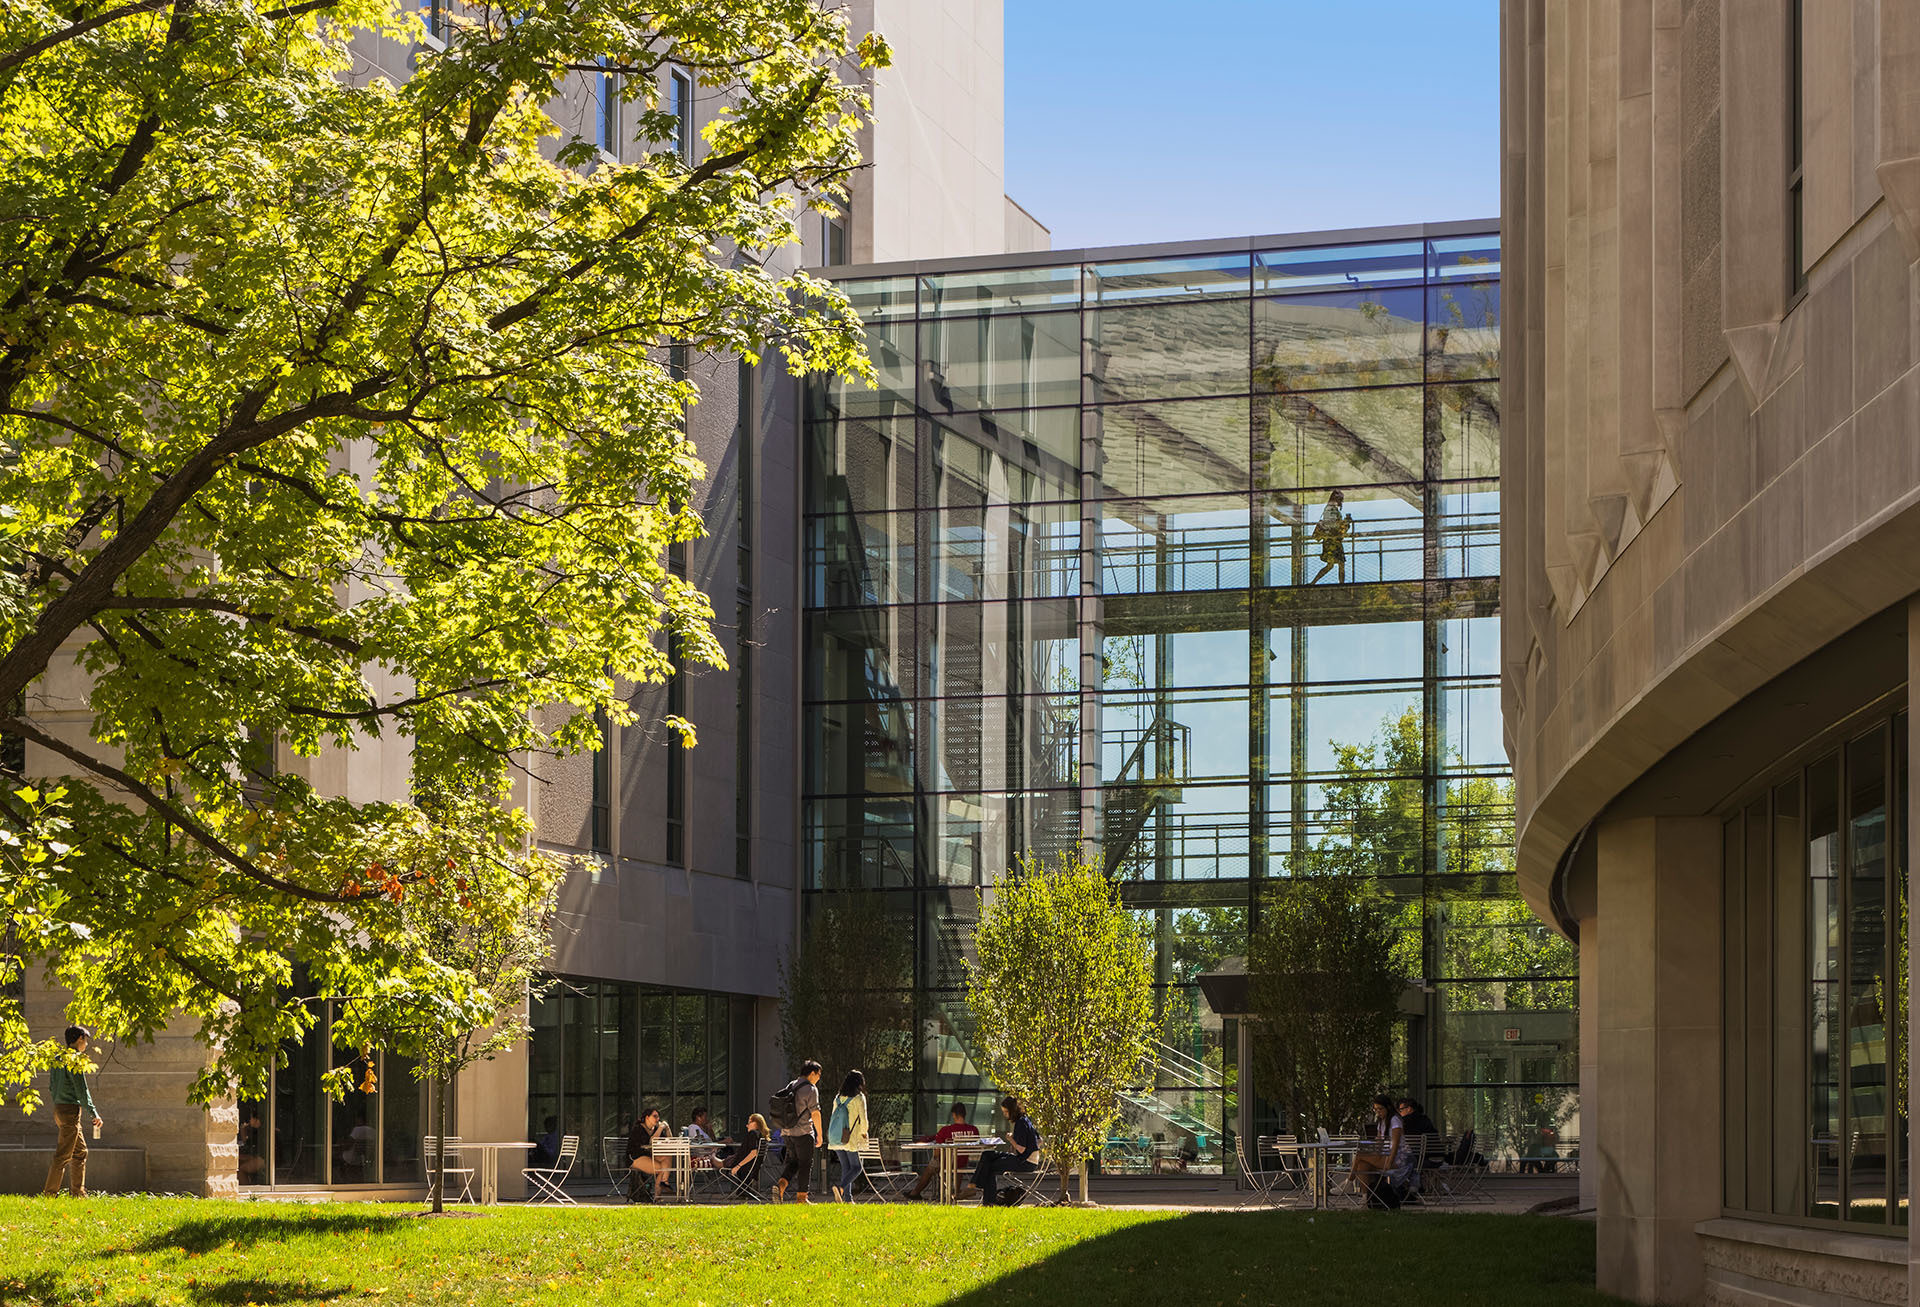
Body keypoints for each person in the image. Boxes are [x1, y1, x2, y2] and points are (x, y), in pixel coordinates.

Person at [42, 1025, 101, 1198]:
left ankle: (78, 1193)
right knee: (62, 1155)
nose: (86, 1044)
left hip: (59, 1110)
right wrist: (94, 1113)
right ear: (80, 1038)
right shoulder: (74, 1059)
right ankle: (50, 1194)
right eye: (86, 1039)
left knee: (80, 1152)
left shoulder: (58, 1058)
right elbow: (81, 1090)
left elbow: (52, 1087)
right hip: (70, 1111)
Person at [965, 1096, 1039, 1206]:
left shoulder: (1021, 1123)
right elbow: (1039, 1140)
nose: (1004, 1115)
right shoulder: (1025, 1120)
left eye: (1005, 1112)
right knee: (987, 1155)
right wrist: (1020, 1140)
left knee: (990, 1166)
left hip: (1026, 1162)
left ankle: (986, 1198)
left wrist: (1011, 1140)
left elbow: (1022, 1150)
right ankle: (975, 1185)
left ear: (1012, 1111)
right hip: (1027, 1159)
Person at [903, 1102, 980, 1200]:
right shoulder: (974, 1130)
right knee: (959, 1163)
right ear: (965, 1114)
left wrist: (936, 1157)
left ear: (954, 1115)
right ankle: (955, 1192)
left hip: (947, 1163)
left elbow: (937, 1151)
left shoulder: (946, 1130)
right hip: (963, 1163)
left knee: (932, 1165)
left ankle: (915, 1192)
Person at [772, 1060, 822, 1204]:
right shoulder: (811, 1089)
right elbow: (816, 1113)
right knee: (806, 1164)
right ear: (812, 1073)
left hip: (787, 1133)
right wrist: (819, 1134)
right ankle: (801, 1198)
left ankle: (781, 1184)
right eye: (818, 1075)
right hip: (803, 1132)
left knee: (794, 1162)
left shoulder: (791, 1085)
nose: (818, 1078)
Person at [1355, 1094, 1410, 1209]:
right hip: (1385, 1155)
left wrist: (1389, 1160)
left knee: (1360, 1155)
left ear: (1388, 1107)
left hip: (1398, 1158)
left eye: (1380, 1109)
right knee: (1362, 1164)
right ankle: (1366, 1198)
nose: (1378, 1112)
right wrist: (1374, 1153)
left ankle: (1348, 1181)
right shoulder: (1381, 1122)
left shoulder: (1395, 1120)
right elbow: (1379, 1142)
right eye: (1376, 1109)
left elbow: (1395, 1144)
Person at [827, 1069, 868, 1203]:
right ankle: (841, 1188)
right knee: (857, 1167)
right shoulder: (859, 1098)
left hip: (837, 1137)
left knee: (846, 1167)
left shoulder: (838, 1098)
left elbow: (834, 1117)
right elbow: (863, 1118)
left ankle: (848, 1199)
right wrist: (864, 1132)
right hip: (851, 1137)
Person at [625, 1106, 669, 1203]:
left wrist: (667, 1128)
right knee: (661, 1168)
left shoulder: (656, 1129)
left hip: (649, 1156)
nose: (657, 1119)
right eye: (655, 1116)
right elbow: (650, 1142)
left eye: (658, 1117)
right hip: (635, 1157)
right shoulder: (639, 1128)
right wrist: (660, 1128)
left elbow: (669, 1140)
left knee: (667, 1158)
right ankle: (659, 1191)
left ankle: (662, 1186)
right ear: (647, 1117)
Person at [720, 1113, 768, 1194]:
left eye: (749, 1123)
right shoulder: (761, 1135)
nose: (747, 1125)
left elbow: (754, 1153)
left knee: (714, 1161)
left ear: (756, 1123)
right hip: (752, 1166)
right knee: (719, 1160)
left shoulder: (753, 1134)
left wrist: (738, 1166)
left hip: (743, 1165)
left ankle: (708, 1158)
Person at [1310, 489, 1350, 583]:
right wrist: (1344, 523)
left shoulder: (1330, 508)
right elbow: (1332, 524)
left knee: (1331, 565)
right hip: (1332, 540)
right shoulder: (1331, 508)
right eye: (1340, 499)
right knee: (1340, 563)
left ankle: (1313, 582)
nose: (1341, 501)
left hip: (1330, 540)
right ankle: (1341, 585)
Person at [237, 1107, 267, 1183]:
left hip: (265, 1159)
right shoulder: (256, 1131)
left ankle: (246, 1188)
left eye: (251, 1118)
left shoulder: (263, 1132)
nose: (250, 1121)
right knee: (239, 1160)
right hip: (258, 1156)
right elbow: (248, 1145)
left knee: (241, 1169)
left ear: (256, 1120)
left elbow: (254, 1151)